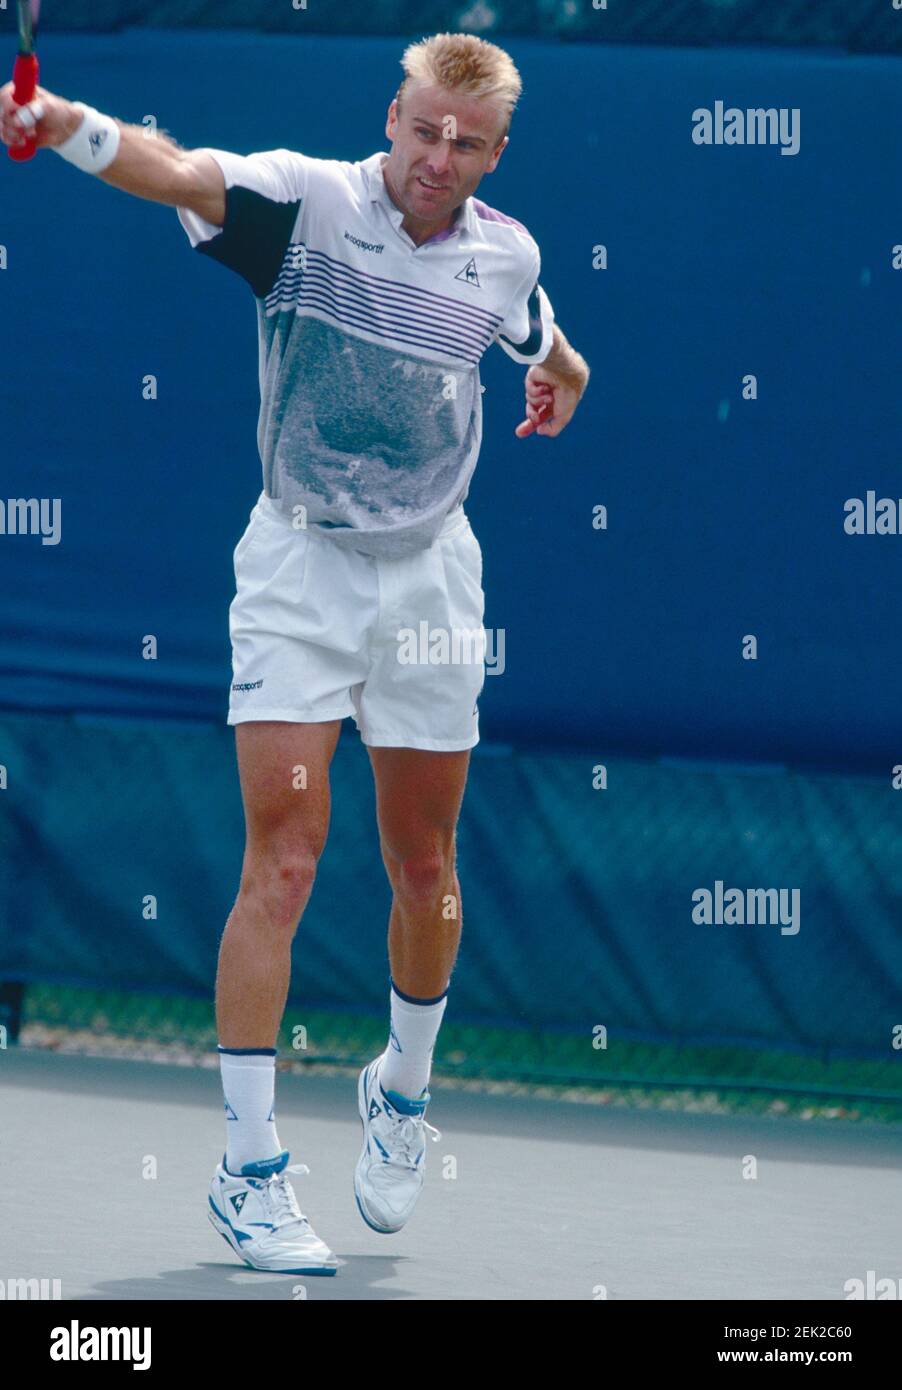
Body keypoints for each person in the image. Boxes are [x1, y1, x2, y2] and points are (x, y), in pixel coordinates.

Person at [1, 30, 590, 1276]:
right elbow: (177, 174)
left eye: (466, 143)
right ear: (393, 115)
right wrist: (68, 128)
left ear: (495, 151)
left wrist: (562, 367)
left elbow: (529, 326)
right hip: (298, 570)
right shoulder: (307, 206)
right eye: (422, 130)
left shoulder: (505, 252)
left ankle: (403, 1086)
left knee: (421, 856)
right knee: (287, 853)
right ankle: (249, 1171)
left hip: (433, 573)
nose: (437, 159)